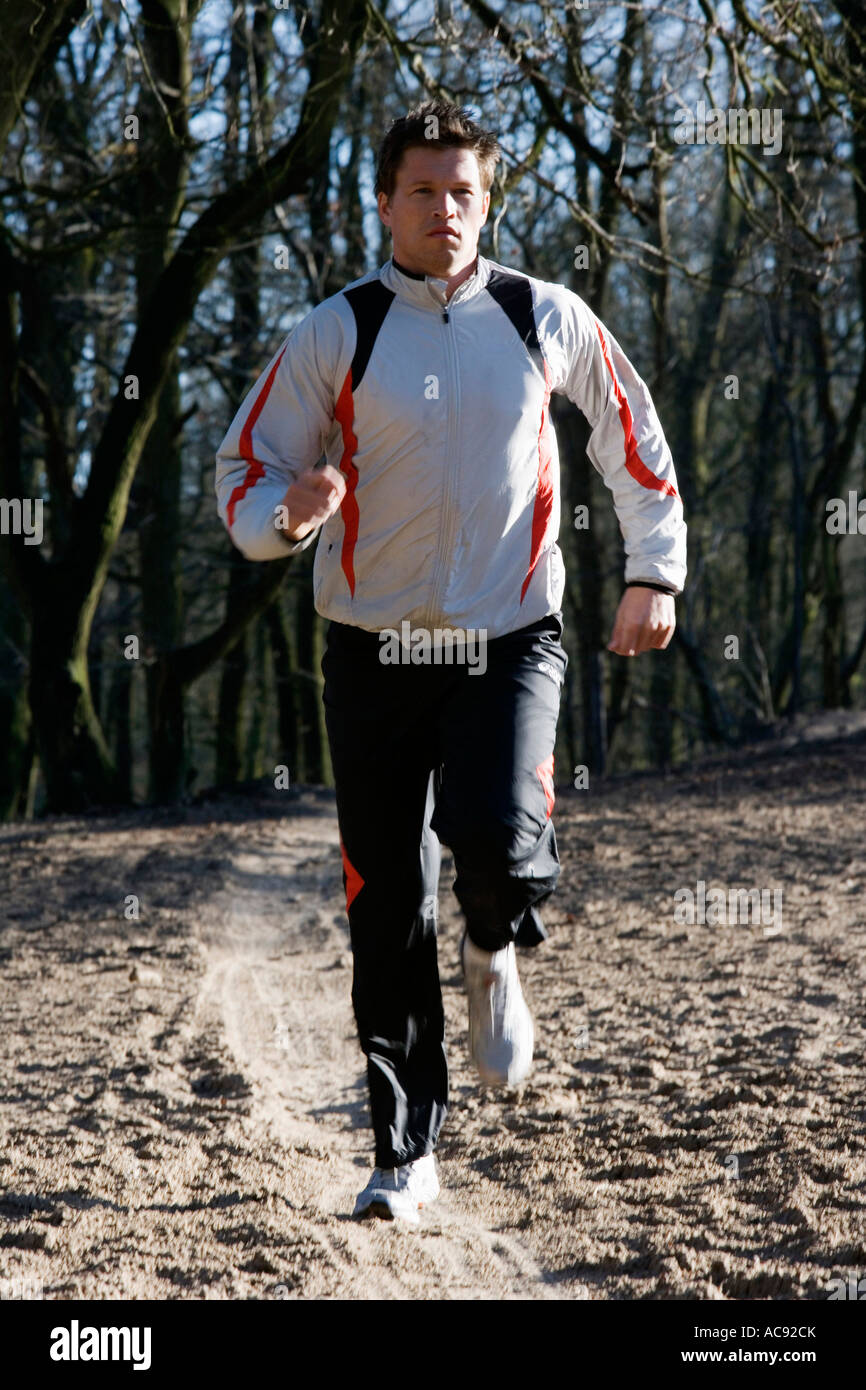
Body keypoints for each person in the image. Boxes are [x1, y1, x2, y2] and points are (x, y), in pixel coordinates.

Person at [215, 100, 686, 1226]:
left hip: (507, 633)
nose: (442, 211)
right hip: (369, 647)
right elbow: (244, 467)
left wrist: (651, 571)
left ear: (487, 202)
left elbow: (632, 436)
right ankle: (403, 1155)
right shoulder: (337, 331)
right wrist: (289, 512)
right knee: (382, 907)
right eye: (420, 191)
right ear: (384, 204)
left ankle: (493, 944)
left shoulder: (539, 315)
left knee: (493, 840)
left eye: (461, 192)